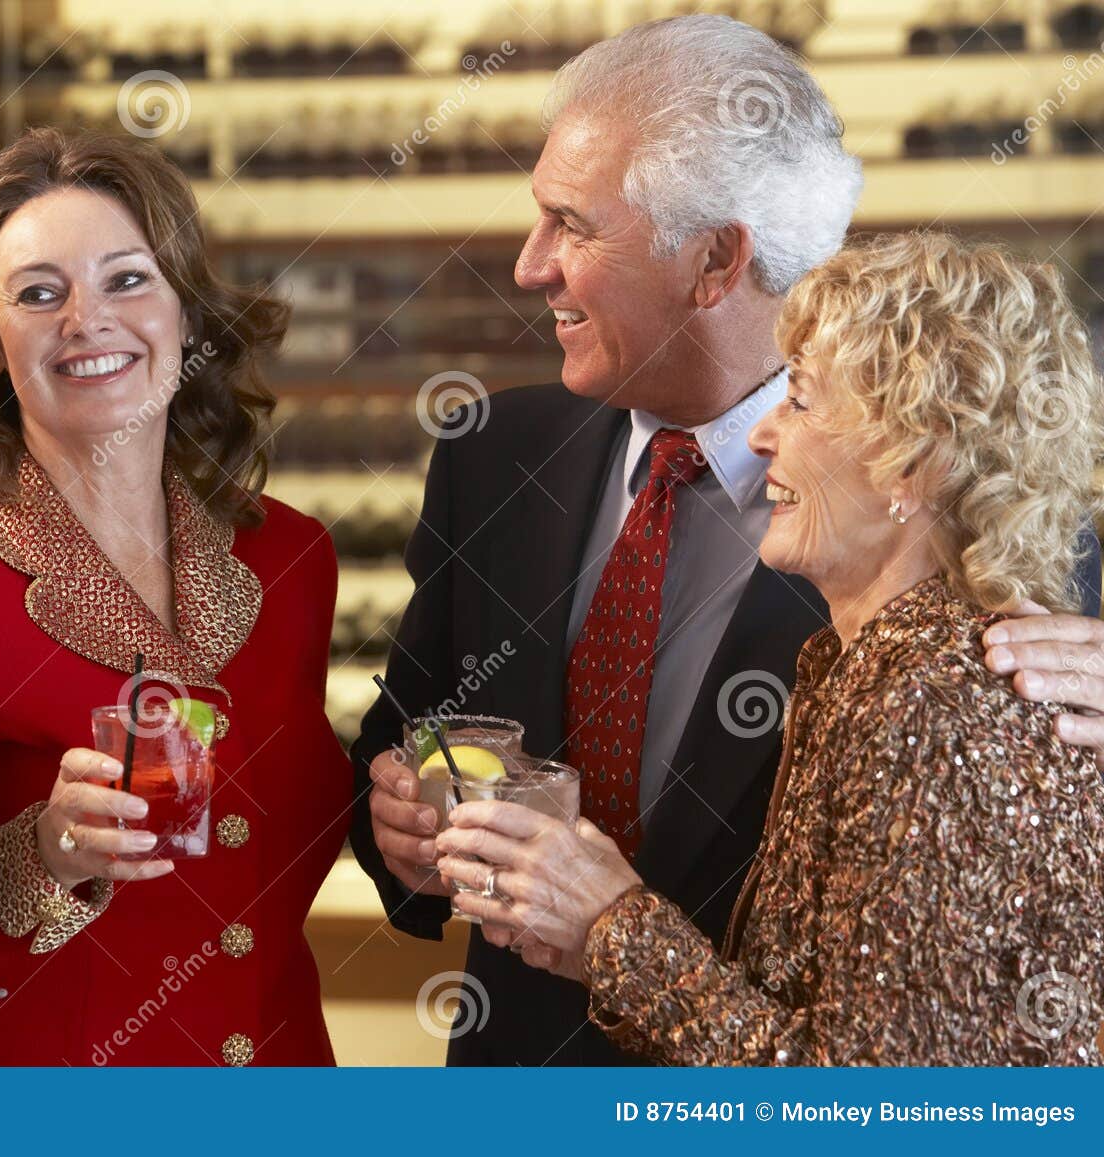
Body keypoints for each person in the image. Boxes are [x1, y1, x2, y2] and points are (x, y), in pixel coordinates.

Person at [351, 13, 1104, 1067]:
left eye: (573, 225)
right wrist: (399, 824)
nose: (530, 267)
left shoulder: (1012, 579)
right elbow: (411, 721)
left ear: (713, 262)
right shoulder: (492, 452)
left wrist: (613, 932)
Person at [0, 126, 351, 1067]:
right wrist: (46, 858)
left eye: (127, 279)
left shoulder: (293, 558)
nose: (87, 319)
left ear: (185, 313)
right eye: (39, 293)